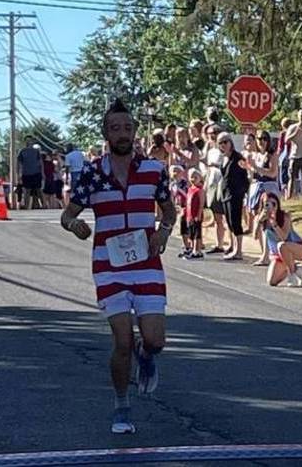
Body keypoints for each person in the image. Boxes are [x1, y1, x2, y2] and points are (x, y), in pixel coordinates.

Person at [60, 98, 177, 434]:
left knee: (155, 340)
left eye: (127, 127)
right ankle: (122, 406)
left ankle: (147, 353)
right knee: (121, 339)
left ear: (135, 132)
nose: (122, 133)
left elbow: (169, 212)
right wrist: (75, 226)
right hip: (109, 266)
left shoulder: (154, 170)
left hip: (147, 264)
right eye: (115, 128)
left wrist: (164, 232)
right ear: (105, 134)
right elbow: (68, 214)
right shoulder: (92, 175)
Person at [256, 192, 302, 286]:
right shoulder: (262, 219)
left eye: (274, 204)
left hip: (294, 248)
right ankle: (295, 268)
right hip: (278, 254)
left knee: (281, 245)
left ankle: (291, 274)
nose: (271, 207)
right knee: (272, 281)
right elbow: (255, 236)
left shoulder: (285, 216)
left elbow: (284, 237)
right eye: (267, 204)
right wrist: (259, 221)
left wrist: (274, 224)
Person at [245, 130, 281, 266]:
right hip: (256, 188)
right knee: (258, 220)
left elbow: (272, 173)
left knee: (266, 220)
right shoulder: (255, 155)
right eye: (259, 139)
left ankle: (268, 254)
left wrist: (255, 167)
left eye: (264, 139)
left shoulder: (272, 156)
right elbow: (252, 174)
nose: (262, 142)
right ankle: (264, 252)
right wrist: (249, 167)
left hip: (268, 189)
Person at [217, 132, 249, 261]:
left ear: (231, 142)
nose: (223, 145)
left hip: (235, 193)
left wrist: (242, 191)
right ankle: (234, 247)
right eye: (221, 143)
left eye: (226, 142)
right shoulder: (224, 158)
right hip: (225, 192)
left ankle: (239, 250)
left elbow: (245, 175)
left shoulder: (238, 158)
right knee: (229, 222)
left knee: (236, 222)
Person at [202, 125, 229, 255]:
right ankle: (219, 244)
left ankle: (230, 243)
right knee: (216, 216)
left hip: (222, 184)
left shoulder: (223, 151)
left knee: (226, 216)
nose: (211, 135)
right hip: (212, 184)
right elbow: (208, 169)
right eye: (209, 133)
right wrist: (205, 185)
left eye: (214, 133)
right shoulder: (211, 150)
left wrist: (216, 165)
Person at [182, 169, 205, 260]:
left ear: (200, 178)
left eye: (195, 177)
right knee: (191, 233)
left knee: (196, 233)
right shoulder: (190, 189)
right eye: (191, 177)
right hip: (189, 215)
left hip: (196, 215)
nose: (193, 179)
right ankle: (192, 249)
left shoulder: (200, 190)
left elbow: (201, 203)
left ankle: (197, 250)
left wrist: (199, 214)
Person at [17, 138, 44, 209]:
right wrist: (19, 174)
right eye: (28, 141)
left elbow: (40, 162)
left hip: (36, 173)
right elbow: (19, 164)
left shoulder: (36, 151)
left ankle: (43, 205)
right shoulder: (22, 151)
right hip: (26, 173)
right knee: (27, 190)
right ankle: (26, 206)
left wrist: (42, 173)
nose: (30, 142)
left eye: (31, 141)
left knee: (38, 190)